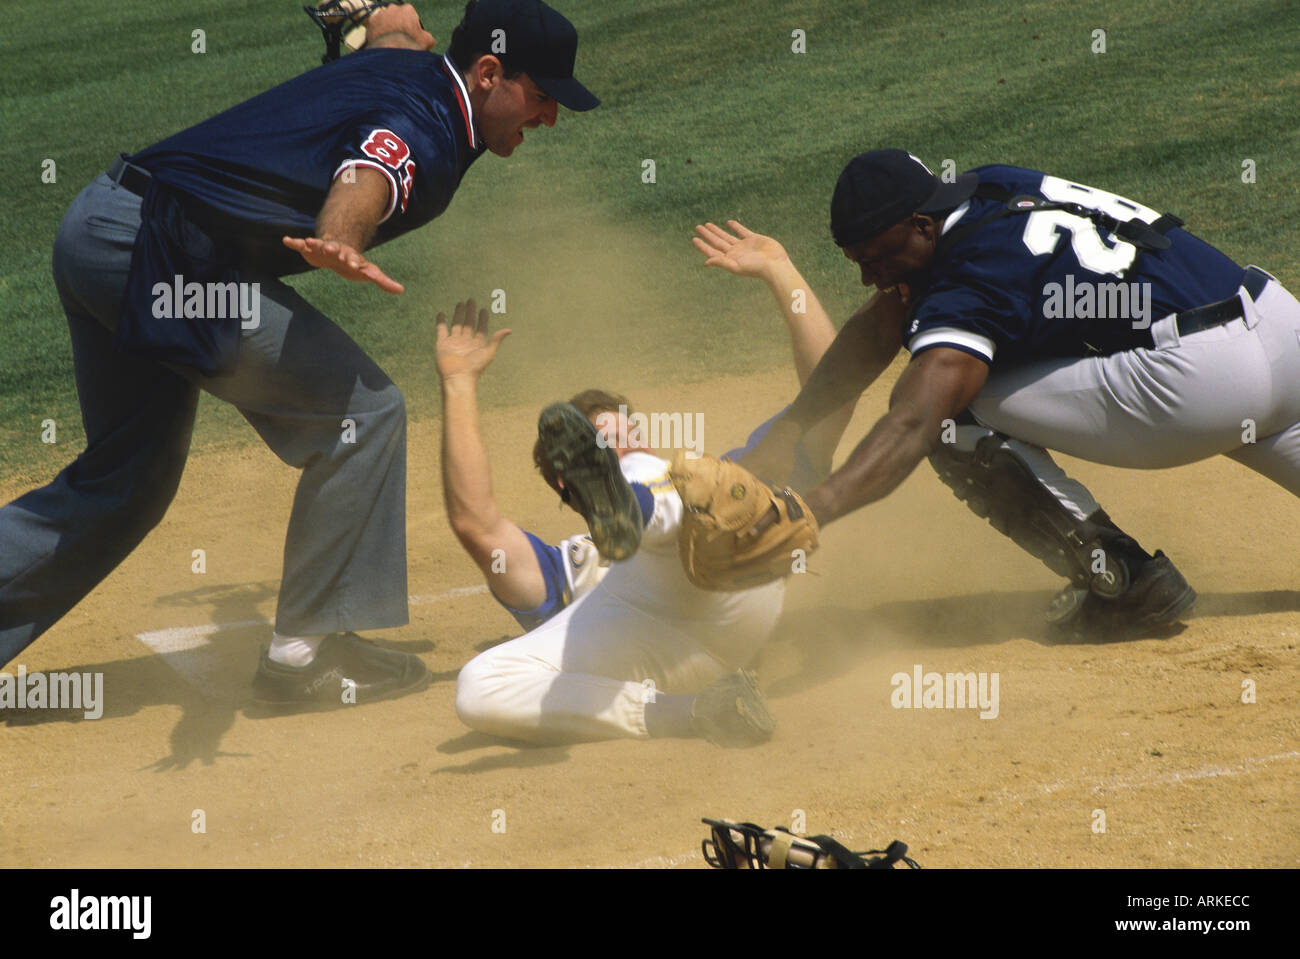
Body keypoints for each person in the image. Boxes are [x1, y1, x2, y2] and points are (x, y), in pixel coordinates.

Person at [0, 0, 600, 710]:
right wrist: (341, 238)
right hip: (162, 260)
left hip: (102, 227)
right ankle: (302, 656)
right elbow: (368, 170)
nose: (549, 117)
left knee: (127, 480)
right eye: (541, 96)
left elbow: (392, 39)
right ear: (490, 72)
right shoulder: (429, 129)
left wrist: (379, 18)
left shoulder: (418, 68)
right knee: (362, 413)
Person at [743, 149, 1300, 638]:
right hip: (1280, 329)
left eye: (875, 259)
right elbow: (881, 321)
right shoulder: (991, 186)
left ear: (921, 225)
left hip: (1198, 382)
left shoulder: (968, 279)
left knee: (952, 411)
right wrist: (792, 428)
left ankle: (1123, 581)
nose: (870, 277)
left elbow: (914, 421)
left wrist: (812, 511)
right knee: (957, 347)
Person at [433, 223, 855, 744]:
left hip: (730, 605)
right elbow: (475, 523)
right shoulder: (562, 568)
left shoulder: (725, 482)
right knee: (478, 685)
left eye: (628, 434)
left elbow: (832, 400)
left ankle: (637, 509)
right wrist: (458, 384)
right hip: (658, 661)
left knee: (696, 490)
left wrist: (779, 270)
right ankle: (703, 713)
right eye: (603, 445)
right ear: (567, 482)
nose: (626, 442)